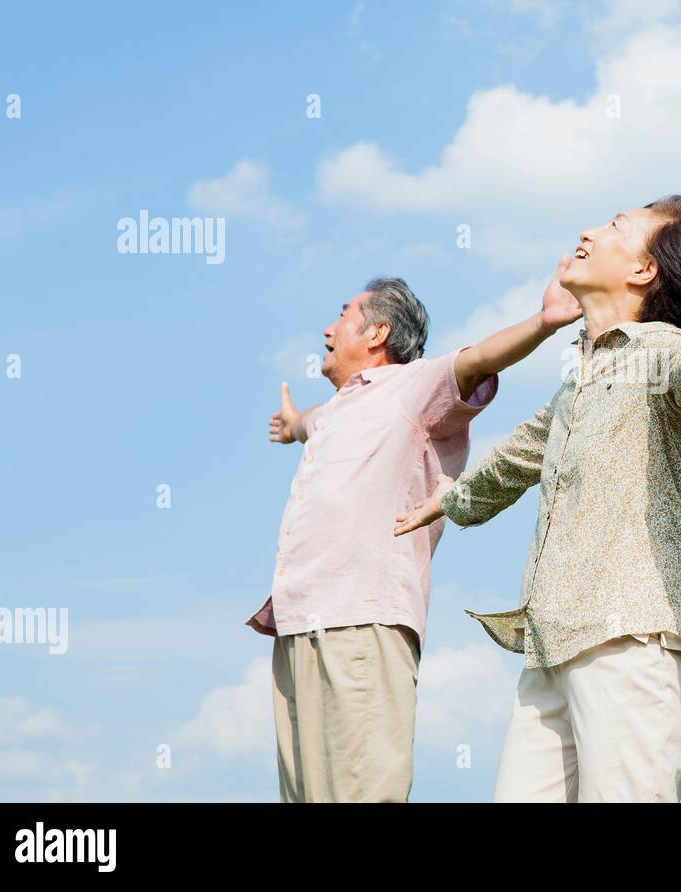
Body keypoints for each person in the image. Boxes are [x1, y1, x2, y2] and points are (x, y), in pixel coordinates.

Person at [393, 195, 681, 801]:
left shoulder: (657, 349)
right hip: (550, 651)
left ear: (644, 271)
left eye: (615, 227)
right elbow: (516, 457)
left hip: (633, 642)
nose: (587, 230)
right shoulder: (580, 381)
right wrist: (451, 500)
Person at [247, 266, 581, 802]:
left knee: (362, 790)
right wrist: (292, 427)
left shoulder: (412, 386)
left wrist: (543, 323)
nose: (328, 330)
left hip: (362, 617)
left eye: (342, 316)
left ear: (377, 334)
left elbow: (475, 361)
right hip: (297, 620)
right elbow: (313, 420)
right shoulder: (337, 410)